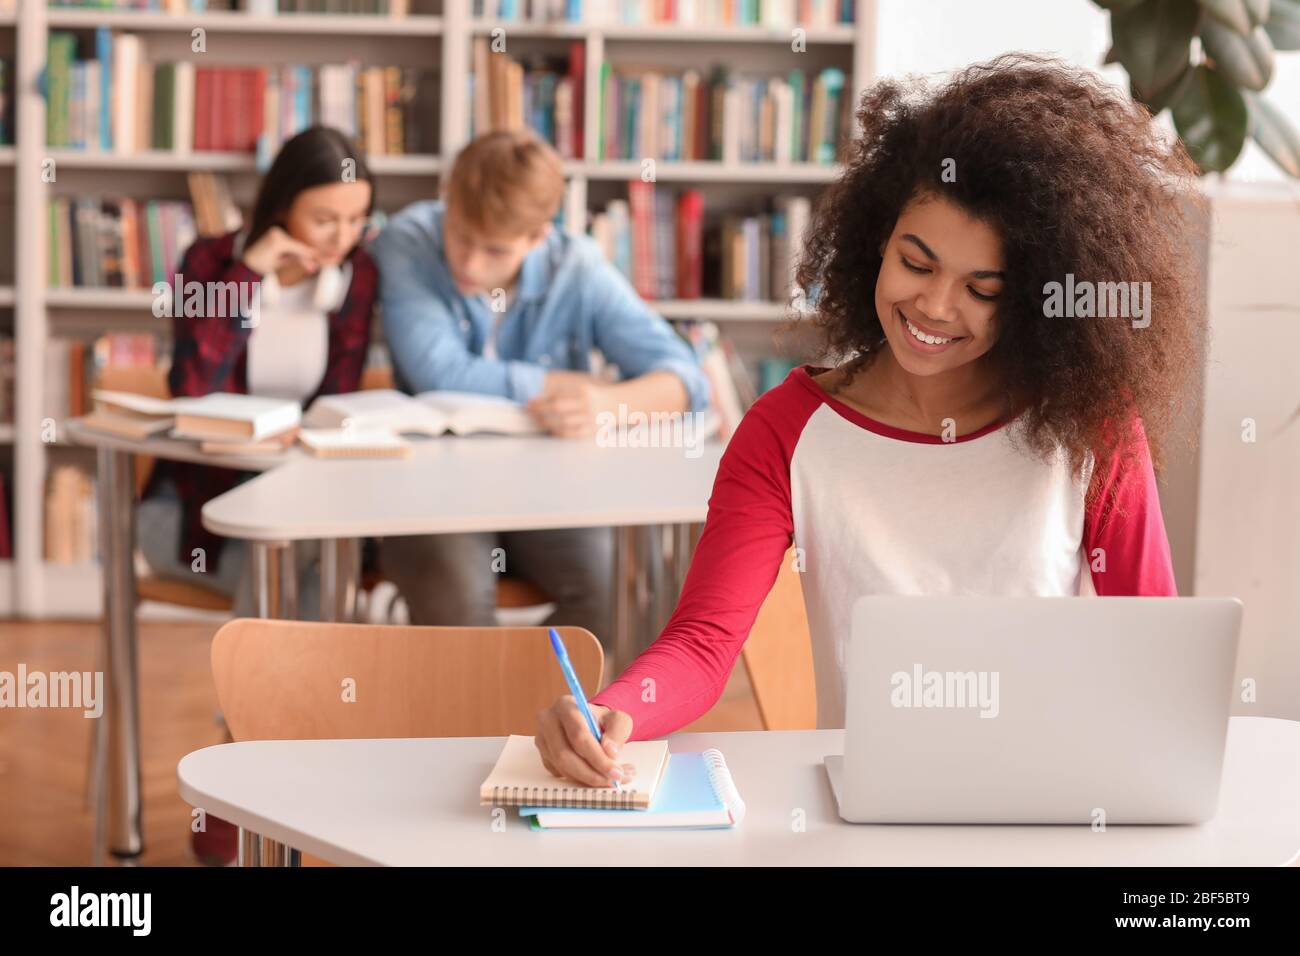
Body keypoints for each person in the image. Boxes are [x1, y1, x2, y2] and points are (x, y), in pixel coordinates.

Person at [533, 54, 1204, 788]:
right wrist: (614, 707)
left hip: (1049, 796)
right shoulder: (786, 431)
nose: (935, 307)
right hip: (869, 810)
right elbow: (703, 643)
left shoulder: (1092, 427)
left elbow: (1153, 646)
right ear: (876, 242)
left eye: (982, 288)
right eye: (917, 263)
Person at [137, 125, 379, 862]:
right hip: (192, 519)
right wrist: (247, 277)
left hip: (299, 508)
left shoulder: (357, 277)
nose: (343, 237)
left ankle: (243, 771)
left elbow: (337, 399)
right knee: (298, 583)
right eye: (325, 220)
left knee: (300, 564)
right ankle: (268, 777)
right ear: (281, 209)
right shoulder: (208, 261)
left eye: (357, 218)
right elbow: (193, 388)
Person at [370, 129, 710, 642]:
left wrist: (606, 402)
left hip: (553, 494)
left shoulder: (577, 267)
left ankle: (521, 706)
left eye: (494, 250)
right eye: (460, 236)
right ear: (448, 200)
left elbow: (686, 379)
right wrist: (558, 382)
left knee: (625, 591)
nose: (469, 263)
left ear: (539, 237)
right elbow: (438, 373)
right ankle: (486, 706)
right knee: (459, 607)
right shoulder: (407, 241)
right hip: (433, 492)